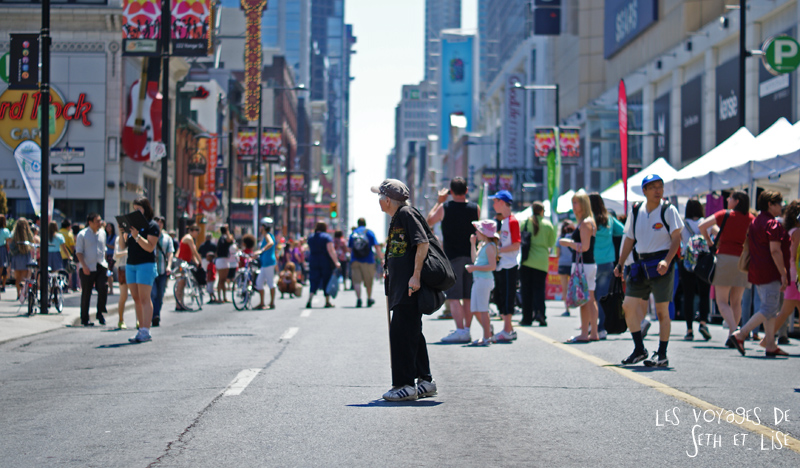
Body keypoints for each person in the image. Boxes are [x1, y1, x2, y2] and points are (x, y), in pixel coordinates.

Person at [373, 179, 435, 401]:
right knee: (412, 334)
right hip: (401, 288)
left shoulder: (406, 214)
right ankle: (425, 381)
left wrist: (416, 275)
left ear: (387, 200)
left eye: (380, 197)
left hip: (408, 288)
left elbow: (423, 243)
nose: (378, 201)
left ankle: (405, 384)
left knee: (402, 335)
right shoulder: (398, 217)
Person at [614, 174, 684, 367]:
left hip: (661, 264)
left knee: (662, 312)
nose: (657, 191)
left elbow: (677, 238)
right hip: (640, 265)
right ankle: (639, 349)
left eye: (660, 187)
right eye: (652, 187)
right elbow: (629, 239)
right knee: (628, 306)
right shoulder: (636, 210)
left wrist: (667, 261)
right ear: (644, 191)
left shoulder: (669, 210)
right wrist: (620, 264)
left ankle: (662, 353)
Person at [727, 191, 789, 357]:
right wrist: (783, 272)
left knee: (769, 307)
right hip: (770, 271)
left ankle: (770, 343)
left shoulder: (755, 222)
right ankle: (741, 334)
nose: (781, 206)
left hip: (757, 270)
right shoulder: (772, 224)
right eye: (779, 203)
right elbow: (775, 251)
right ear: (770, 204)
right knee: (769, 307)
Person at [426, 177, 480, 342]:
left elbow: (429, 221)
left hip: (452, 257)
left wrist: (439, 201)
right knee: (468, 296)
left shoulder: (445, 207)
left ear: (451, 191)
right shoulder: (474, 208)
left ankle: (461, 330)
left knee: (454, 296)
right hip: (471, 256)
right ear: (466, 190)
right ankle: (467, 330)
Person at [698, 191, 753, 340]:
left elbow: (702, 226)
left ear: (737, 201)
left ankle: (734, 331)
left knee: (722, 300)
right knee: (736, 301)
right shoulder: (750, 218)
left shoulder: (725, 214)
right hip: (742, 260)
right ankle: (733, 335)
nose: (728, 199)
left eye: (731, 198)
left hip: (725, 258)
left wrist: (710, 242)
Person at [560, 190, 599, 342]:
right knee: (590, 299)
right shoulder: (587, 221)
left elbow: (584, 247)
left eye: (576, 202)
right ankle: (593, 332)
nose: (574, 206)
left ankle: (585, 333)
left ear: (583, 204)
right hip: (587, 264)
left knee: (585, 299)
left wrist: (567, 242)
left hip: (584, 264)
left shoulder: (586, 222)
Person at [124, 197, 160, 343]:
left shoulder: (152, 225)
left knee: (145, 298)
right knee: (136, 298)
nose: (136, 211)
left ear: (146, 208)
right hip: (131, 263)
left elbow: (150, 247)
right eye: (134, 208)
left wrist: (137, 236)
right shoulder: (132, 225)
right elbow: (123, 244)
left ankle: (146, 330)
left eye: (139, 209)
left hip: (146, 264)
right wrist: (124, 233)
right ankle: (140, 329)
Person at [589, 193, 625, 339]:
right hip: (607, 262)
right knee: (602, 296)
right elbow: (623, 230)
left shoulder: (589, 220)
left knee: (591, 296)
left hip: (591, 262)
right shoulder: (609, 219)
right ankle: (602, 327)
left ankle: (591, 325)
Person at [490, 190, 521, 343]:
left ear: (502, 202)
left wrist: (498, 250)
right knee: (502, 296)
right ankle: (509, 329)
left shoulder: (512, 221)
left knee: (508, 296)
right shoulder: (505, 221)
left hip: (510, 264)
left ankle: (507, 329)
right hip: (503, 264)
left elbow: (516, 244)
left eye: (495, 201)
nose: (494, 205)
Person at [519, 201, 556, 327]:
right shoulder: (548, 224)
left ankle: (527, 317)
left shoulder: (524, 223)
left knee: (526, 290)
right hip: (541, 262)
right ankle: (540, 314)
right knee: (539, 290)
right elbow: (551, 244)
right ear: (542, 211)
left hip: (527, 261)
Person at [680, 199, 712, 341]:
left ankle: (689, 329)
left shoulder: (682, 224)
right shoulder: (705, 222)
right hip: (704, 261)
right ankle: (703, 323)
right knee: (704, 293)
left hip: (687, 261)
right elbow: (716, 234)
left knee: (688, 295)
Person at [465, 220, 499, 346]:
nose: (476, 233)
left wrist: (474, 268)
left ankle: (486, 336)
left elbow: (492, 266)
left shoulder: (490, 247)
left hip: (484, 280)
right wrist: (473, 244)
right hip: (479, 280)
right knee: (475, 309)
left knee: (483, 310)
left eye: (478, 230)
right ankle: (488, 333)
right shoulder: (484, 245)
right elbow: (475, 260)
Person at [772, 200, 800, 347]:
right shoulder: (797, 232)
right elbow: (794, 255)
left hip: (792, 273)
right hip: (796, 275)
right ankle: (767, 338)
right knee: (783, 312)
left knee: (784, 311)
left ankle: (768, 338)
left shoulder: (789, 231)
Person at [75, 213, 109, 326]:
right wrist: (84, 266)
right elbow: (79, 252)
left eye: (100, 221)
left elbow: (103, 249)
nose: (100, 223)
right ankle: (84, 318)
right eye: (97, 221)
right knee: (86, 292)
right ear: (90, 222)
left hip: (100, 265)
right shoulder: (82, 234)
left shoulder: (103, 233)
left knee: (103, 288)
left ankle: (100, 312)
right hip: (87, 266)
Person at [306, 221, 340, 308]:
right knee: (326, 279)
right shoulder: (327, 237)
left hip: (313, 260)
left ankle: (310, 299)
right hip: (324, 260)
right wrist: (336, 262)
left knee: (313, 279)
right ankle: (327, 301)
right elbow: (331, 250)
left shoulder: (311, 237)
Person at [348, 218, 380, 308]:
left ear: (357, 224)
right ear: (365, 224)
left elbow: (349, 248)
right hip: (368, 260)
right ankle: (369, 298)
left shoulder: (353, 233)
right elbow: (376, 246)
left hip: (355, 260)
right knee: (369, 281)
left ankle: (359, 299)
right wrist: (381, 257)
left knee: (357, 281)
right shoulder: (369, 232)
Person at [150, 216, 174, 326]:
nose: (159, 224)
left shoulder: (167, 238)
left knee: (160, 295)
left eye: (161, 222)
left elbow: (170, 253)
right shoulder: (149, 236)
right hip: (151, 270)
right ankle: (152, 315)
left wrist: (169, 266)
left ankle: (156, 314)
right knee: (153, 294)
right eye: (157, 222)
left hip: (163, 270)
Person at [176, 225, 201, 311]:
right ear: (194, 230)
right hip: (182, 262)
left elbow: (192, 253)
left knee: (183, 283)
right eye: (197, 233)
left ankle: (180, 303)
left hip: (185, 261)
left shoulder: (189, 238)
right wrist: (200, 260)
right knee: (181, 283)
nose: (197, 235)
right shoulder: (189, 238)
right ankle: (178, 304)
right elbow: (194, 251)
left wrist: (196, 262)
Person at [254, 218, 278, 310]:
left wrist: (261, 250)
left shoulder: (267, 235)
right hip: (265, 263)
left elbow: (271, 243)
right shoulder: (267, 236)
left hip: (268, 263)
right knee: (259, 283)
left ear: (263, 227)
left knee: (270, 283)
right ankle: (262, 303)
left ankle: (271, 303)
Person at [8, 218, 34, 301]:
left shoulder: (14, 234)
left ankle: (18, 293)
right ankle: (24, 293)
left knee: (17, 277)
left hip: (17, 257)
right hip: (26, 256)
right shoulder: (29, 234)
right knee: (25, 277)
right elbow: (32, 244)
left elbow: (11, 246)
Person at [556, 221, 576, 316]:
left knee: (565, 288)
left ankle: (567, 309)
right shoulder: (574, 238)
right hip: (573, 264)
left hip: (563, 264)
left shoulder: (560, 239)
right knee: (575, 286)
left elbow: (557, 254)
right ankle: (577, 305)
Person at [215, 225, 234, 303]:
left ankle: (224, 297)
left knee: (223, 280)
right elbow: (230, 240)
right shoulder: (223, 238)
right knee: (221, 280)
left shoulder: (222, 238)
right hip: (222, 260)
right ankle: (220, 297)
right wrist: (228, 231)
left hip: (224, 260)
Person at [114, 230, 129, 329]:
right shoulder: (119, 239)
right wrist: (128, 251)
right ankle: (121, 320)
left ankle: (139, 320)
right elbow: (116, 254)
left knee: (137, 296)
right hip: (123, 268)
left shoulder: (135, 238)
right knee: (123, 296)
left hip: (134, 267)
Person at [105, 222, 117, 295]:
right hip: (105, 256)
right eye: (107, 227)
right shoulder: (105, 236)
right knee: (107, 273)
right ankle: (108, 288)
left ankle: (111, 289)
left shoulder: (115, 237)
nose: (108, 228)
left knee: (109, 273)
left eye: (110, 227)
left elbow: (115, 247)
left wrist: (107, 245)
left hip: (111, 256)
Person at [0, 215, 10, 295]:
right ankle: (3, 285)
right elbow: (7, 243)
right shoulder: (6, 231)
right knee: (3, 268)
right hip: (2, 250)